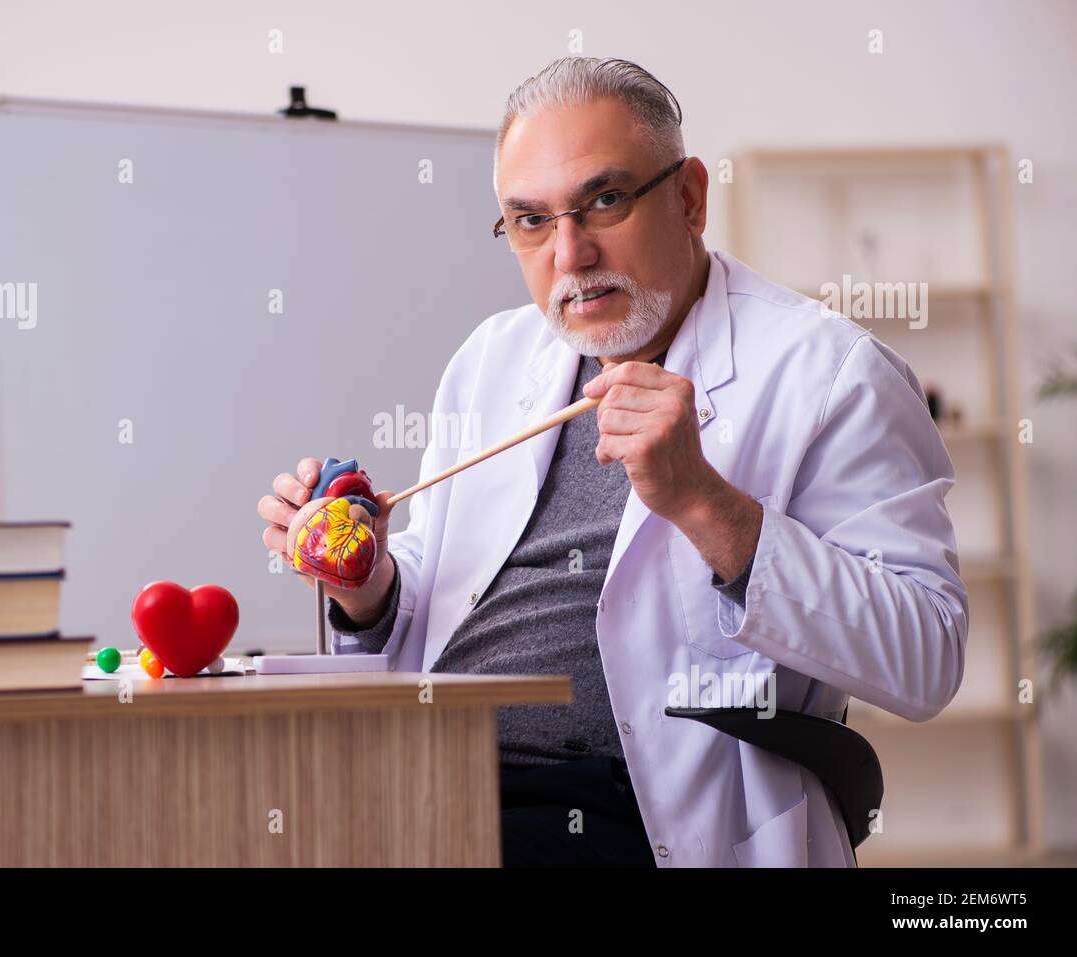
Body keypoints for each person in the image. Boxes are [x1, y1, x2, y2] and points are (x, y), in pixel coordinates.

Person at [258, 57, 967, 867]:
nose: (570, 253)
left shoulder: (831, 371)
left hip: (616, 812)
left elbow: (927, 655)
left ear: (691, 197)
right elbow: (443, 587)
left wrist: (708, 506)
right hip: (425, 774)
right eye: (530, 220)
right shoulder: (493, 357)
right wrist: (371, 585)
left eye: (604, 199)